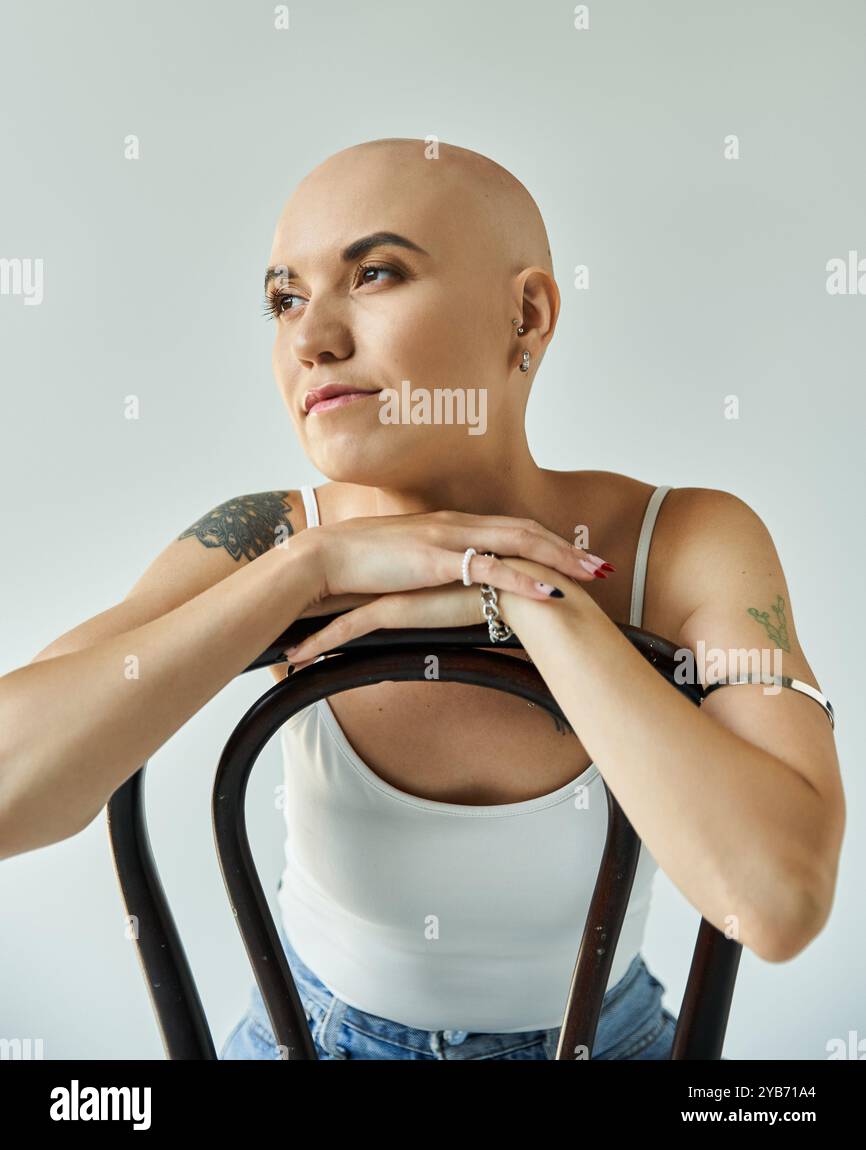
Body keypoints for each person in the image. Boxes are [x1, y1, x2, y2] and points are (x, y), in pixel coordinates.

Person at [2, 138, 845, 1062]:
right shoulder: (268, 535)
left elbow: (776, 904)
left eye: (374, 272)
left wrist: (532, 600)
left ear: (527, 313)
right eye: (284, 299)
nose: (310, 338)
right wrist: (306, 570)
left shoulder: (682, 543)